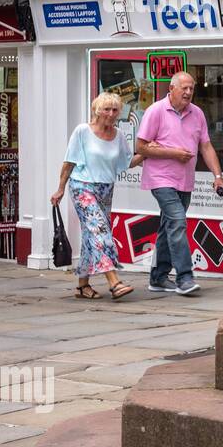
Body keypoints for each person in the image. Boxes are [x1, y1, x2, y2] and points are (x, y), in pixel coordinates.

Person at [134, 72, 223, 295]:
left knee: (168, 227)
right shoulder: (156, 110)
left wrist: (217, 176)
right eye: (184, 88)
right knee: (177, 221)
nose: (188, 92)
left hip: (185, 181)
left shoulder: (197, 114)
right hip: (160, 178)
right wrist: (174, 153)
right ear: (171, 88)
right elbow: (140, 147)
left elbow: (205, 146)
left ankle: (158, 278)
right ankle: (184, 277)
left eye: (191, 89)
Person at [51, 92, 144, 300]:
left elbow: (127, 162)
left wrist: (148, 152)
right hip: (82, 186)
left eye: (115, 110)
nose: (111, 114)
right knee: (100, 231)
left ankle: (83, 286)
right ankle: (114, 282)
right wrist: (60, 188)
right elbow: (69, 162)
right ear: (97, 110)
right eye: (106, 109)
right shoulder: (83, 131)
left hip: (105, 189)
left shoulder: (119, 135)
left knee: (90, 235)